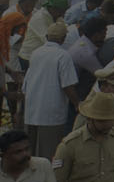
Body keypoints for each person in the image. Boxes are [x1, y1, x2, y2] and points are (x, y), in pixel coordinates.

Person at [51, 92, 114, 182]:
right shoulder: (69, 145)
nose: (108, 125)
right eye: (102, 121)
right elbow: (57, 178)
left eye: (111, 120)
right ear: (89, 119)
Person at [24, 23, 77, 158]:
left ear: (47, 37)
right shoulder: (63, 56)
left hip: (31, 111)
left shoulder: (36, 53)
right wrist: (78, 104)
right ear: (63, 38)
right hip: (51, 115)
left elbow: (26, 84)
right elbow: (68, 86)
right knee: (48, 155)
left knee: (29, 154)